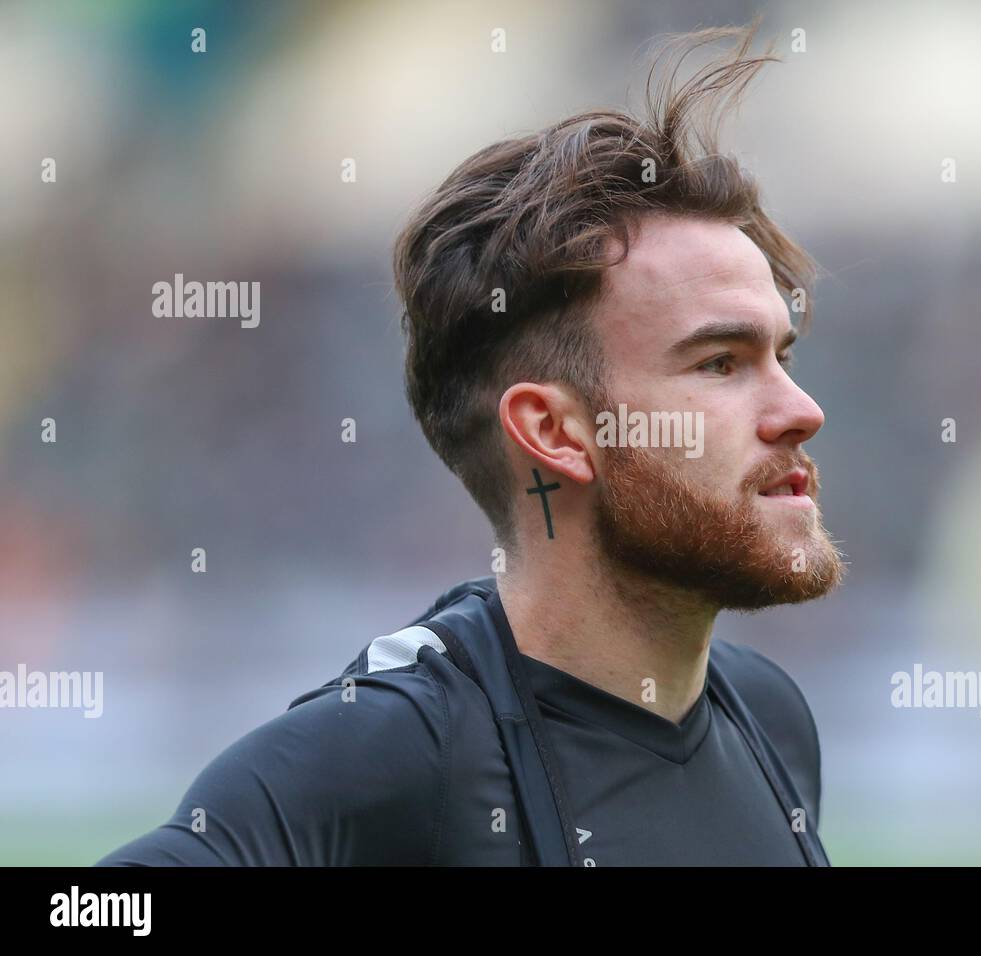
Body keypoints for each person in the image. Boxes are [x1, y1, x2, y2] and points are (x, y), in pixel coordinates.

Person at [97, 20, 846, 867]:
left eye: (780, 355)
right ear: (555, 433)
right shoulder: (385, 755)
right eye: (720, 363)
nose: (801, 410)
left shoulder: (770, 719)